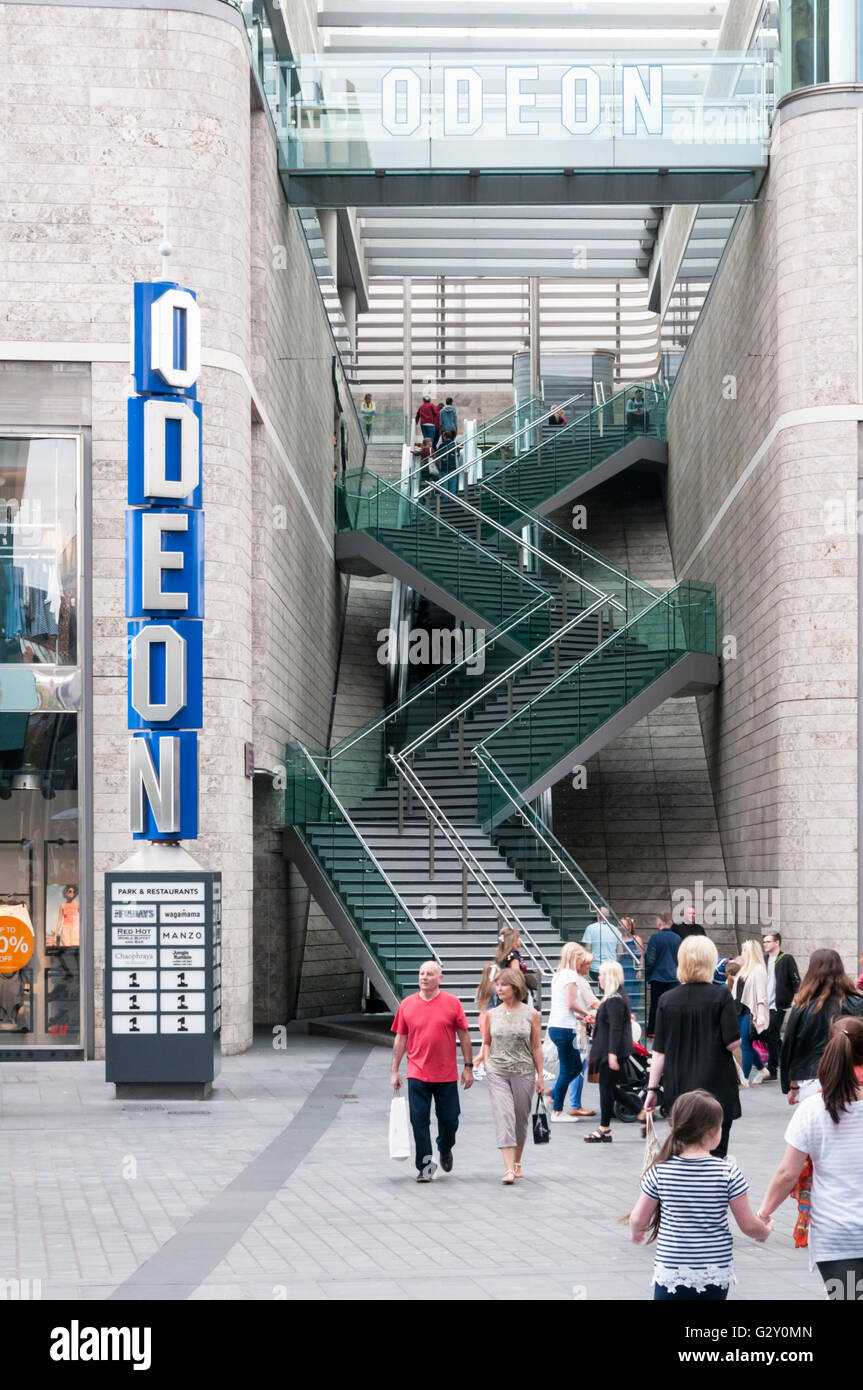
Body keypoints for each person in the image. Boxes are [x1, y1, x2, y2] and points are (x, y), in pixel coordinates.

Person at [630, 1089, 772, 1300]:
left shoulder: (659, 1171)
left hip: (672, 1271)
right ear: (711, 1132)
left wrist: (636, 1232)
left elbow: (638, 1218)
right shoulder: (727, 1172)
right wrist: (764, 1231)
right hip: (713, 1272)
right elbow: (748, 1225)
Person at [760, 1017, 863, 1300]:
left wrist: (764, 1214)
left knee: (849, 1298)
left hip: (837, 1238)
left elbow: (787, 1174)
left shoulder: (813, 1109)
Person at [643, 936, 742, 1158]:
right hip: (716, 1086)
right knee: (716, 1153)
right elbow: (732, 1042)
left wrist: (651, 1089)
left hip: (679, 1087)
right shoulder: (721, 996)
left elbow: (659, 1051)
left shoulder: (667, 1000)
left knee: (683, 1150)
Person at [391, 961, 474, 1181]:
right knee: (419, 1121)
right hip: (417, 1073)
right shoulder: (407, 1005)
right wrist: (394, 1070)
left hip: (446, 1074)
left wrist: (468, 1067)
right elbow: (400, 1039)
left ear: (440, 978)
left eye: (429, 974)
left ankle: (445, 1147)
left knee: (450, 1119)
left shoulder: (452, 1003)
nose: (424, 977)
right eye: (421, 973)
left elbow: (464, 1035)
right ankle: (425, 1167)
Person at [477, 967, 545, 1184]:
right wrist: (487, 1064)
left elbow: (536, 1047)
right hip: (497, 1071)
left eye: (503, 985)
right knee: (504, 1116)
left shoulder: (531, 1014)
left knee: (520, 1119)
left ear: (515, 987)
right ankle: (508, 1169)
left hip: (524, 1071)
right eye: (497, 985)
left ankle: (517, 1162)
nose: (498, 989)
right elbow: (487, 1042)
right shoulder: (491, 1014)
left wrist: (540, 1075)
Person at [780, 949, 863, 1103]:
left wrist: (792, 1085)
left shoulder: (802, 1006)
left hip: (813, 1078)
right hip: (853, 1077)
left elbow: (790, 1046)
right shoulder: (858, 1003)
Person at [583, 960, 633, 1143]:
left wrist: (612, 1054)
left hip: (609, 1052)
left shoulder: (614, 1000)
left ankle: (604, 1128)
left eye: (602, 974)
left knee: (607, 1089)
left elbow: (616, 1029)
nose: (599, 977)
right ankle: (642, 1112)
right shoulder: (615, 998)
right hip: (609, 1051)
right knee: (611, 1089)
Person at [548, 941, 594, 1123]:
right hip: (565, 1028)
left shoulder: (559, 975)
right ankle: (557, 1110)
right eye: (581, 957)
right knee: (570, 1069)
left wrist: (582, 1016)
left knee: (573, 1067)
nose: (583, 961)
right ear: (576, 957)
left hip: (557, 1026)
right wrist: (587, 1014)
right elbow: (571, 1003)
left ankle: (553, 1096)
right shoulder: (571, 976)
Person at [761, 928, 800, 1079]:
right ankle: (788, 1057)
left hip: (779, 1004)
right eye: (763, 942)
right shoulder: (764, 959)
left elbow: (795, 980)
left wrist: (798, 997)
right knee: (768, 1034)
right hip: (764, 1004)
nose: (764, 944)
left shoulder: (786, 958)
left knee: (772, 1033)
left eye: (768, 941)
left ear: (777, 943)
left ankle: (773, 1069)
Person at [565, 945, 599, 1117]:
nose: (589, 968)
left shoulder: (569, 979)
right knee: (579, 1066)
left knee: (573, 1066)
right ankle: (574, 1104)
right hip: (579, 1028)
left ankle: (557, 1094)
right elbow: (594, 1003)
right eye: (586, 965)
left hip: (573, 1026)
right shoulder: (581, 982)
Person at [733, 939, 770, 1085]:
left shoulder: (758, 969)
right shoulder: (745, 969)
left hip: (750, 1012)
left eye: (744, 950)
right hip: (739, 1011)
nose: (742, 953)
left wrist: (760, 1015)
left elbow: (761, 995)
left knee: (745, 1045)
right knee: (745, 1043)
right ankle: (761, 1069)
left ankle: (745, 1078)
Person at [476, 927, 539, 1012]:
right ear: (514, 940)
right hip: (513, 991)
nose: (520, 940)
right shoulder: (514, 954)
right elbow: (515, 973)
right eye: (518, 938)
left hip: (504, 988)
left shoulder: (502, 954)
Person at [644, 913, 681, 1038]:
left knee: (656, 1005)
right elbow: (680, 958)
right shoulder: (677, 938)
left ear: (660, 923)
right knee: (672, 1006)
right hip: (674, 977)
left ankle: (652, 1031)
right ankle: (672, 1031)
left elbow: (650, 959)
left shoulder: (655, 938)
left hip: (658, 977)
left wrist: (647, 975)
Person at [581, 905, 620, 982]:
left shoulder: (590, 928)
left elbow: (588, 949)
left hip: (595, 968)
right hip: (611, 967)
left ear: (598, 915)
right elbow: (620, 952)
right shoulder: (615, 930)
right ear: (608, 916)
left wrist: (586, 965)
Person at [435, 431, 460, 495]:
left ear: (445, 436)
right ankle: (453, 499)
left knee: (444, 483)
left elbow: (437, 456)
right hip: (453, 466)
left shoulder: (442, 445)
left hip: (444, 467)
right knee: (453, 483)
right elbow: (458, 455)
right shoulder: (454, 444)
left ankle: (445, 499)